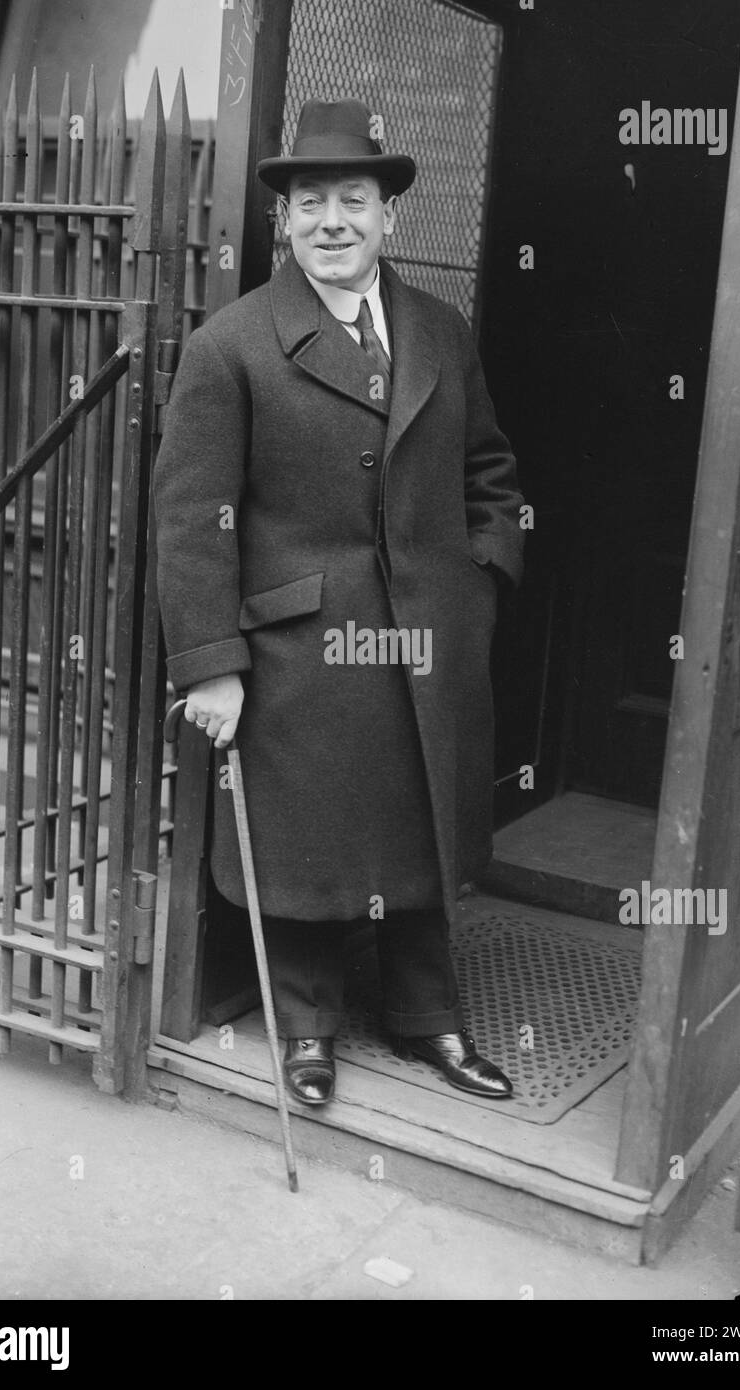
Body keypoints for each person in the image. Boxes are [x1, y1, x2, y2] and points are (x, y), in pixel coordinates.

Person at [153, 98, 525, 1106]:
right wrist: (212, 666)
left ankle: (427, 1020)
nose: (331, 220)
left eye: (351, 199)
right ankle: (308, 1033)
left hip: (429, 643)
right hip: (300, 650)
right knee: (313, 840)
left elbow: (490, 472)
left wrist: (480, 579)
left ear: (386, 213)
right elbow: (192, 520)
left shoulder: (441, 334)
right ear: (283, 220)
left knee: (419, 827)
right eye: (309, 201)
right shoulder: (229, 347)